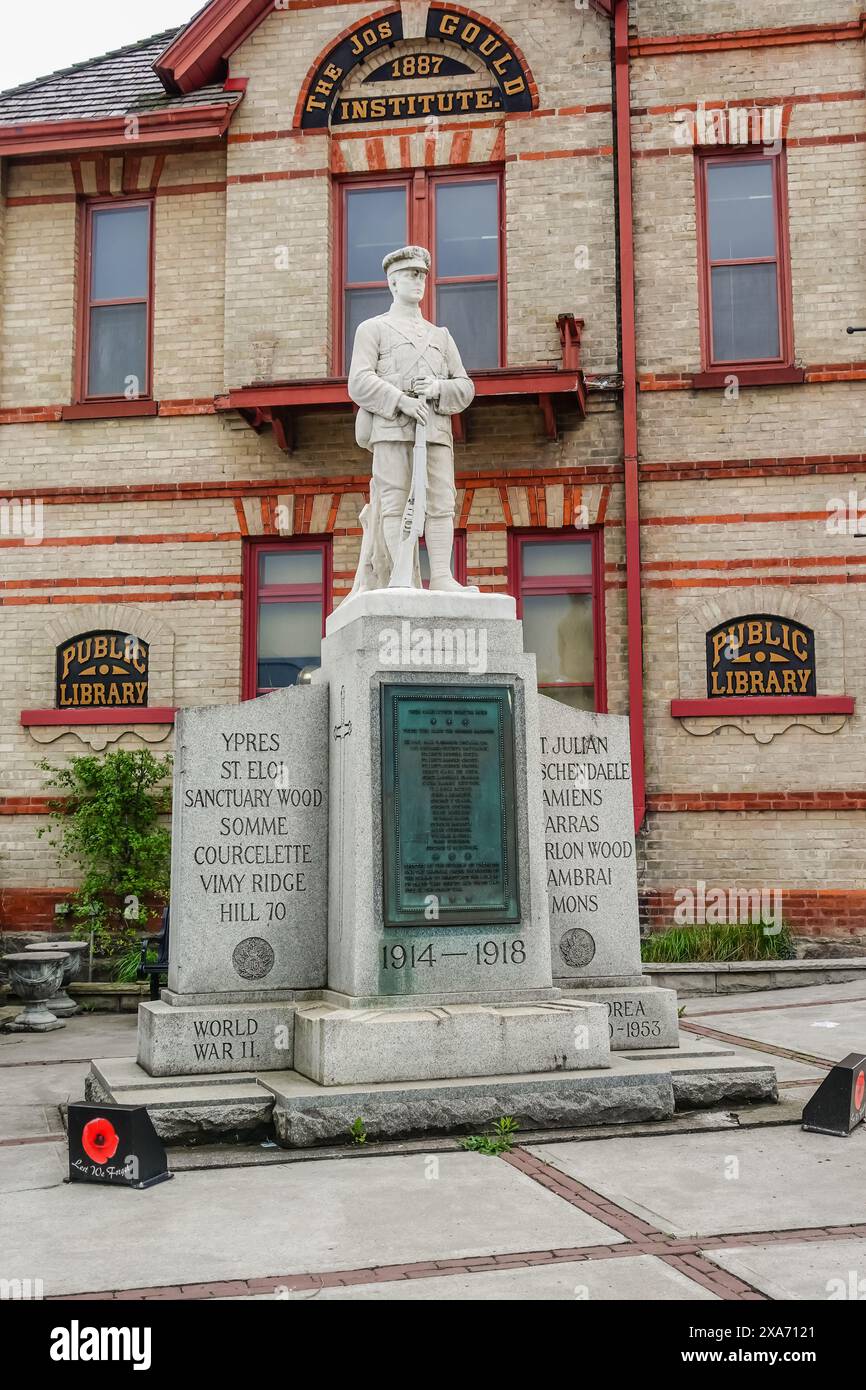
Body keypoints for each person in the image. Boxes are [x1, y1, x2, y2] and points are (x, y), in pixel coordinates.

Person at [347, 244, 476, 593]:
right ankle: (400, 573)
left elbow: (465, 387)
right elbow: (358, 381)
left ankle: (442, 577)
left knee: (440, 501)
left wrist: (436, 388)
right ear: (392, 283)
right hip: (390, 430)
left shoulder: (441, 336)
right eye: (410, 275)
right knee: (395, 500)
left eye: (421, 275)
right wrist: (400, 401)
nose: (418, 281)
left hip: (434, 433)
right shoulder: (373, 329)